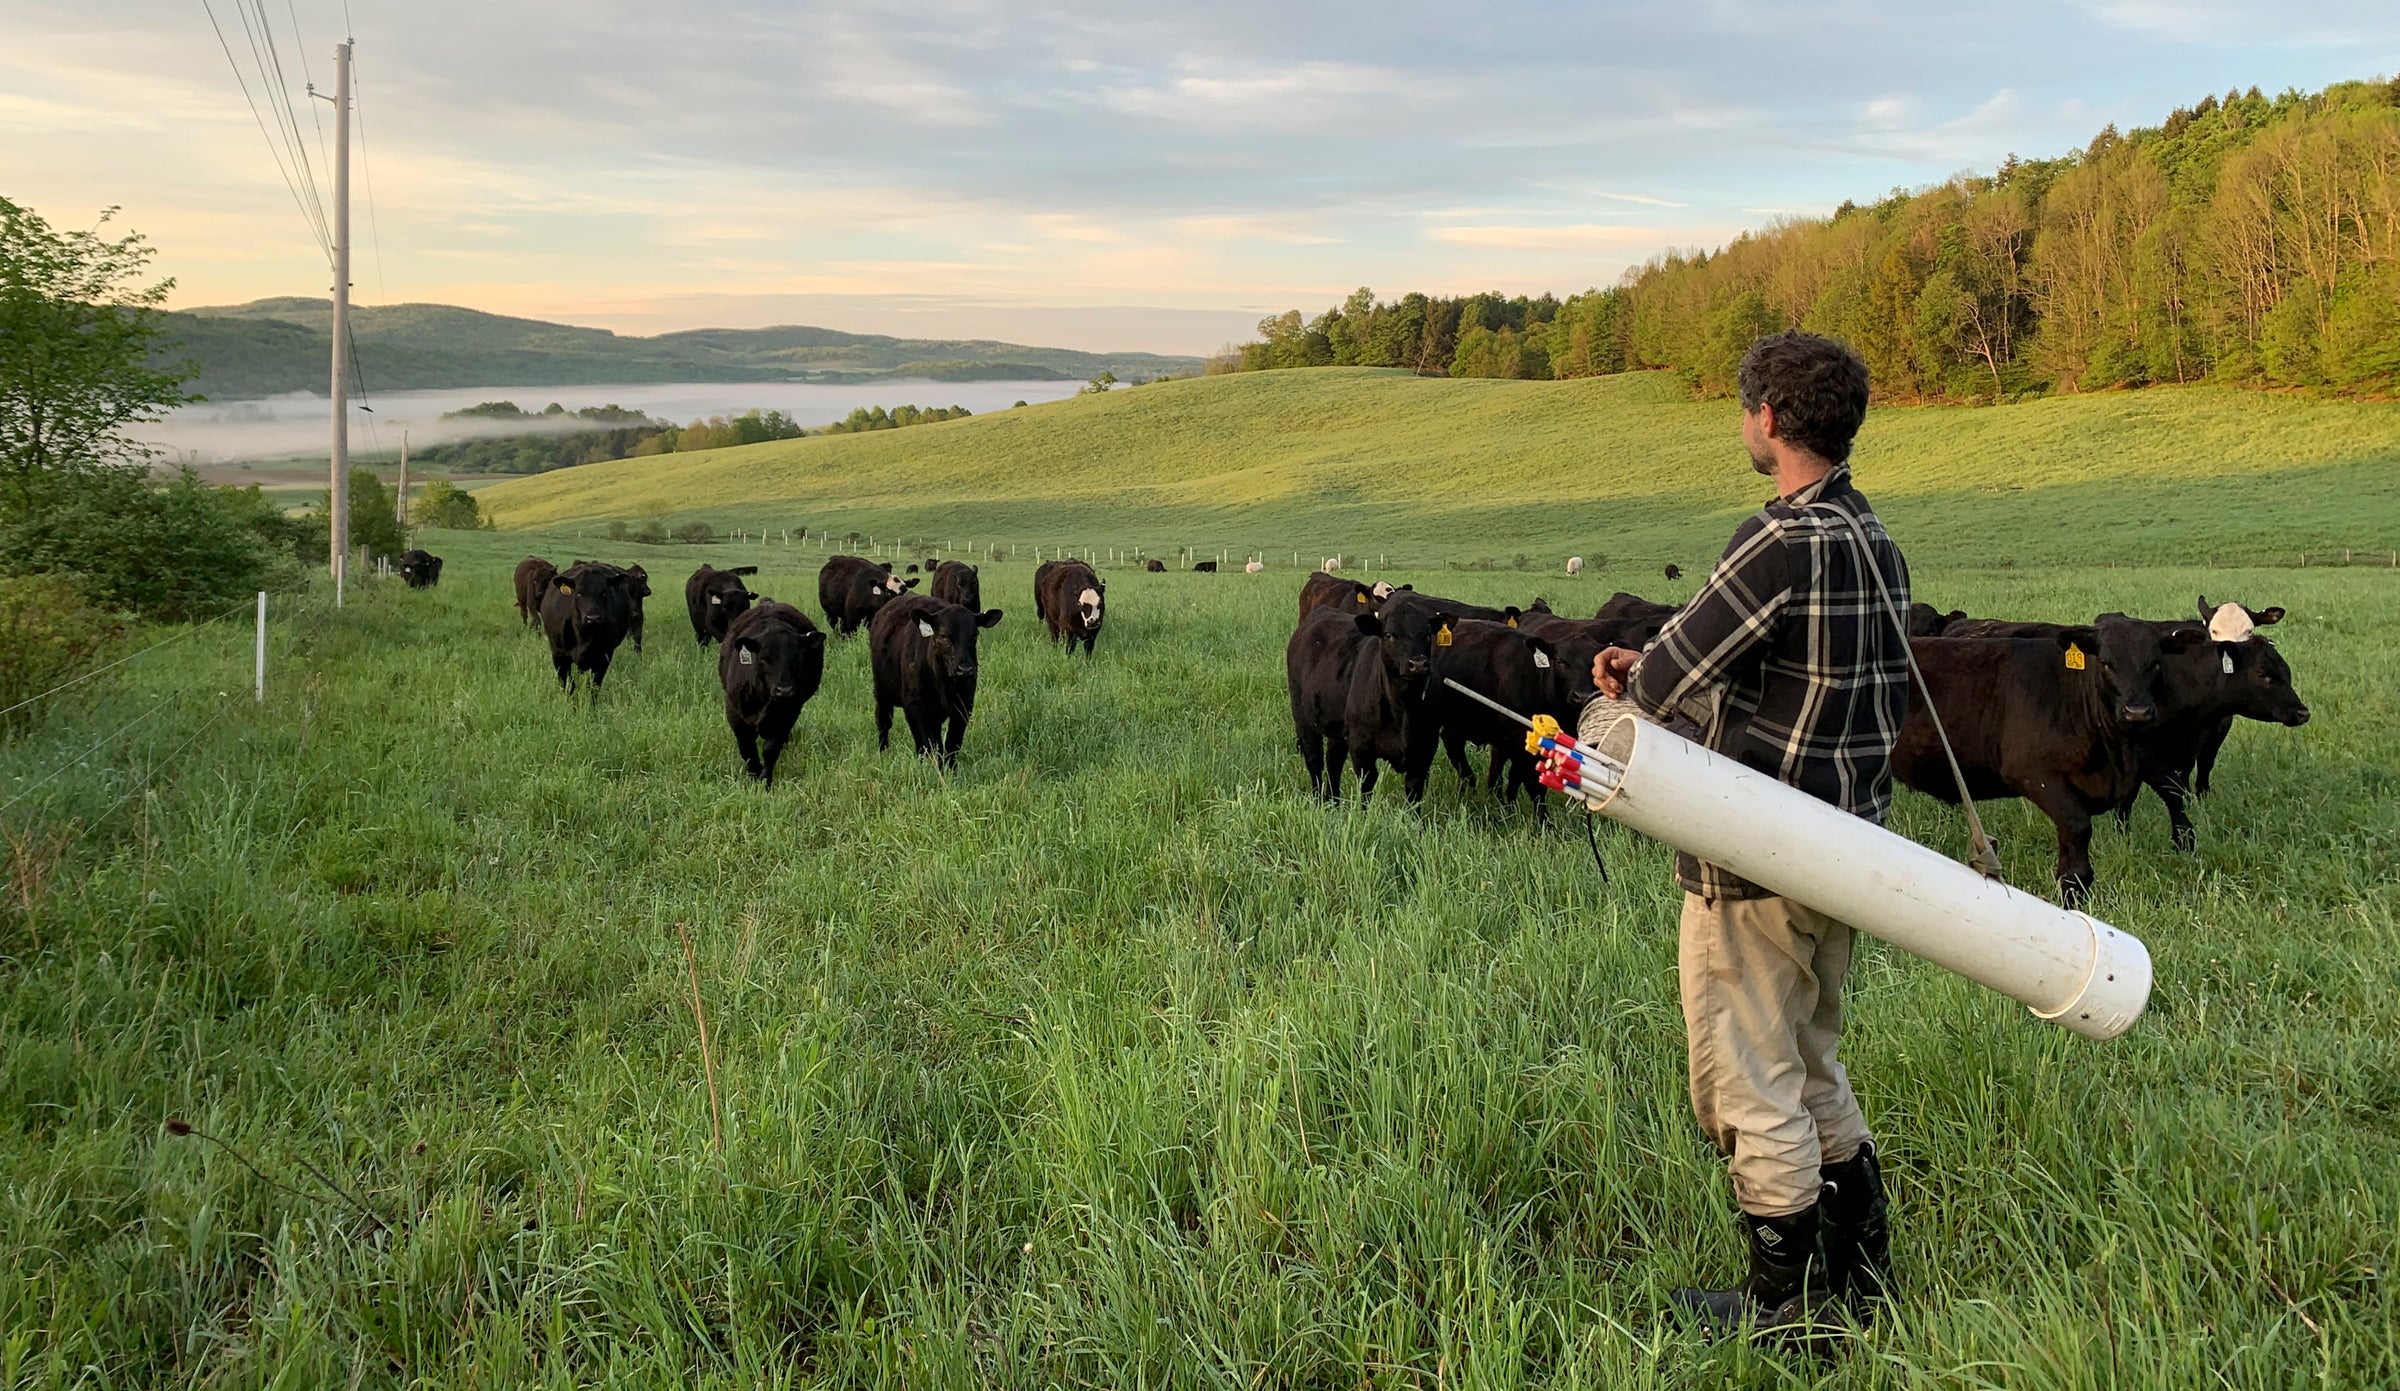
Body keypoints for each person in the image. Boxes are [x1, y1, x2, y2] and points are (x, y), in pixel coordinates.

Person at [1592, 330, 1909, 1337]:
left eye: (1745, 408)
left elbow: (1664, 676)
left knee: (1749, 1074)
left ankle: (1783, 1312)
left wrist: (1628, 672)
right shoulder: (1875, 540)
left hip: (1760, 856)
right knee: (1813, 1059)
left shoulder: (1776, 539)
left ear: (1769, 418)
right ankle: (1862, 1273)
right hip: (1850, 855)